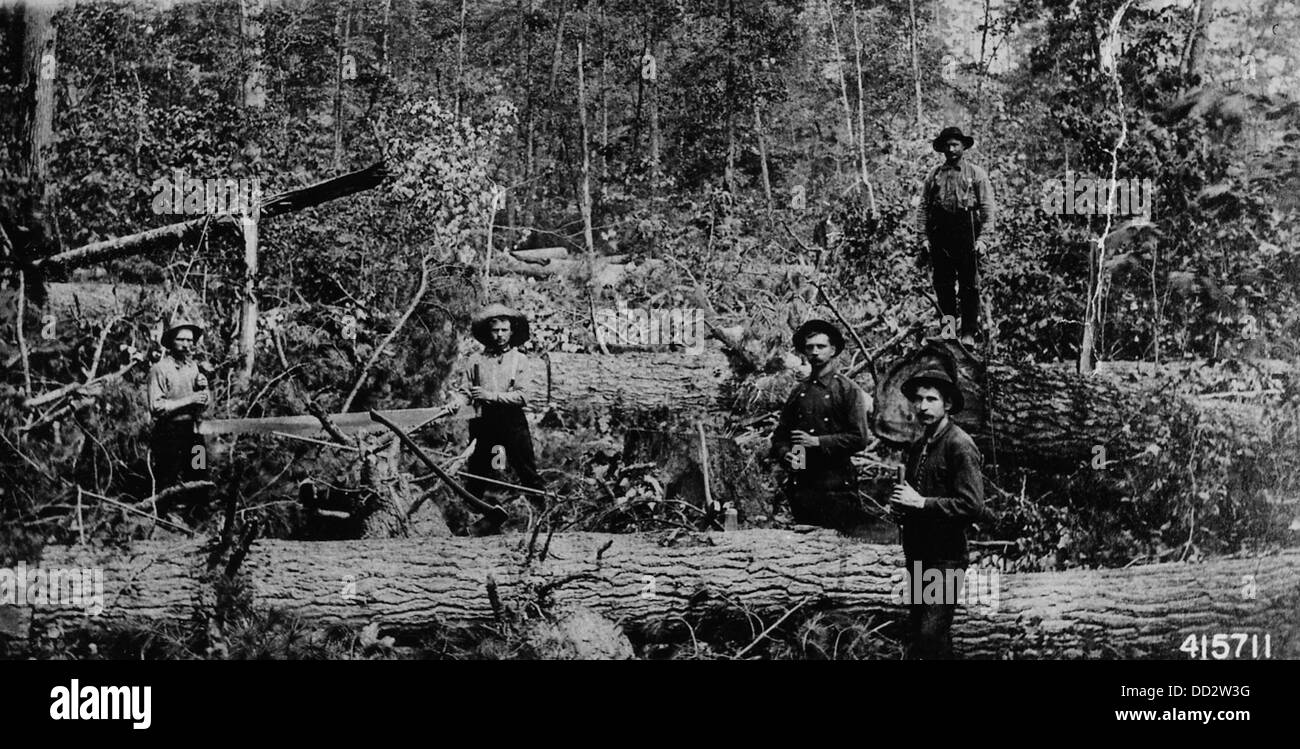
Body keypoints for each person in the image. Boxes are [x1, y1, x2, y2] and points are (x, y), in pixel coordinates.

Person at [888, 363, 985, 659]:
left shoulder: (960, 445)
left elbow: (972, 505)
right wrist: (903, 508)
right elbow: (918, 495)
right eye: (918, 399)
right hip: (918, 554)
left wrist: (921, 503)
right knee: (924, 634)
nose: (922, 406)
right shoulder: (920, 444)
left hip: (946, 558)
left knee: (930, 634)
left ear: (948, 404)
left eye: (931, 399)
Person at [447, 304, 546, 535]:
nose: (499, 335)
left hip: (512, 421)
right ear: (486, 333)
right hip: (483, 422)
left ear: (511, 332)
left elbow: (523, 396)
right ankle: (469, 518)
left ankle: (544, 514)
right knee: (478, 471)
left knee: (526, 469)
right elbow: (465, 391)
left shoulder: (519, 360)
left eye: (504, 330)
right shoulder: (475, 360)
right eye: (495, 330)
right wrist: (457, 402)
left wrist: (491, 395)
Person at [769, 319, 872, 530]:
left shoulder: (847, 390)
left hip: (837, 488)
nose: (815, 352)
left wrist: (817, 442)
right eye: (810, 347)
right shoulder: (799, 392)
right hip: (803, 485)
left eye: (821, 346)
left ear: (833, 350)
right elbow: (780, 435)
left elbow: (859, 438)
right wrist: (785, 452)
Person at [919, 126, 997, 347]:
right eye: (947, 145)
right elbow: (923, 207)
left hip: (966, 233)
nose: (951, 149)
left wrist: (983, 240)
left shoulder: (976, 174)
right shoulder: (934, 175)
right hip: (940, 234)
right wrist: (923, 238)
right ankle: (949, 331)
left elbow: (987, 209)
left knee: (968, 286)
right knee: (943, 285)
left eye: (955, 144)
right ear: (942, 148)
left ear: (963, 147)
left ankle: (969, 334)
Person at [147, 317, 209, 496]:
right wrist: (190, 399)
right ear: (171, 342)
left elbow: (202, 404)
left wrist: (204, 389)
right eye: (180, 339)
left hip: (195, 431)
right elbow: (156, 406)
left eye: (189, 340)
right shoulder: (159, 369)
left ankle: (198, 517)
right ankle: (160, 519)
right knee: (167, 478)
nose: (186, 344)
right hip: (169, 432)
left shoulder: (194, 368)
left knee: (199, 473)